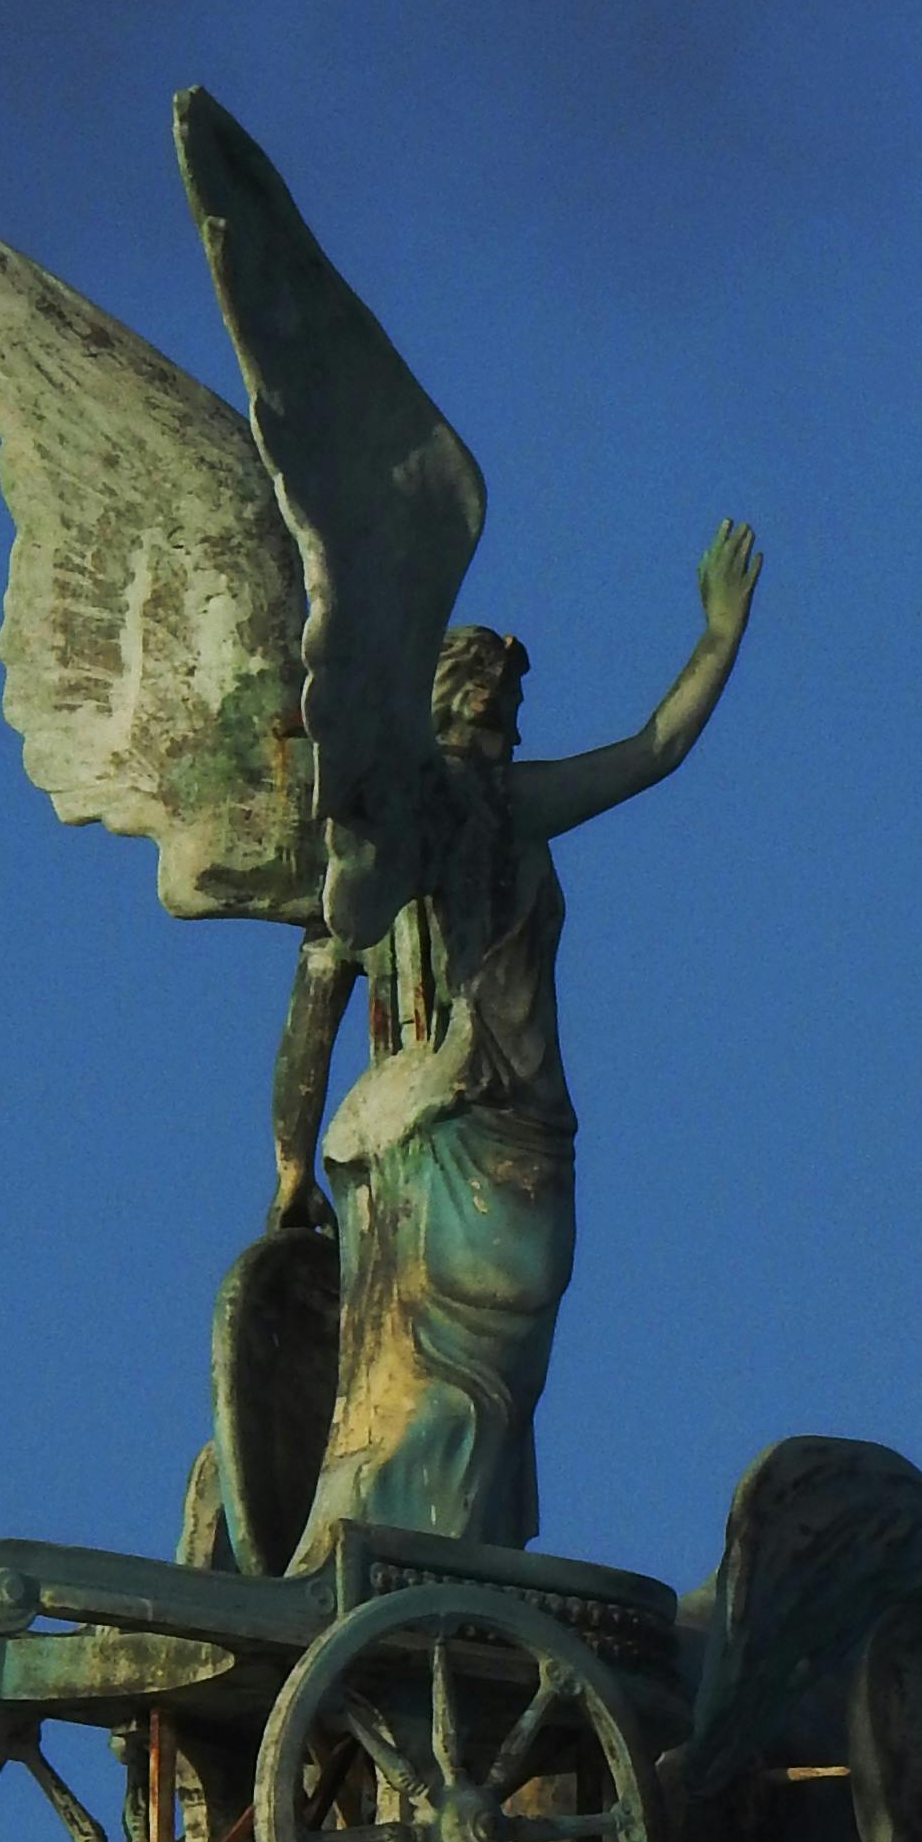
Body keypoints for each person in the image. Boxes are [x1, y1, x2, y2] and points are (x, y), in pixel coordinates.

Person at [250, 525, 760, 1566]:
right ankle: (421, 1556)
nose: (503, 720)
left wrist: (294, 1161)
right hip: (492, 1152)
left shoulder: (399, 837)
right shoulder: (486, 814)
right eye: (491, 700)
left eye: (505, 705)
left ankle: (387, 1544)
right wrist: (718, 635)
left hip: (423, 1149)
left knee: (414, 1378)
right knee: (461, 1381)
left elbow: (312, 1012)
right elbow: (653, 748)